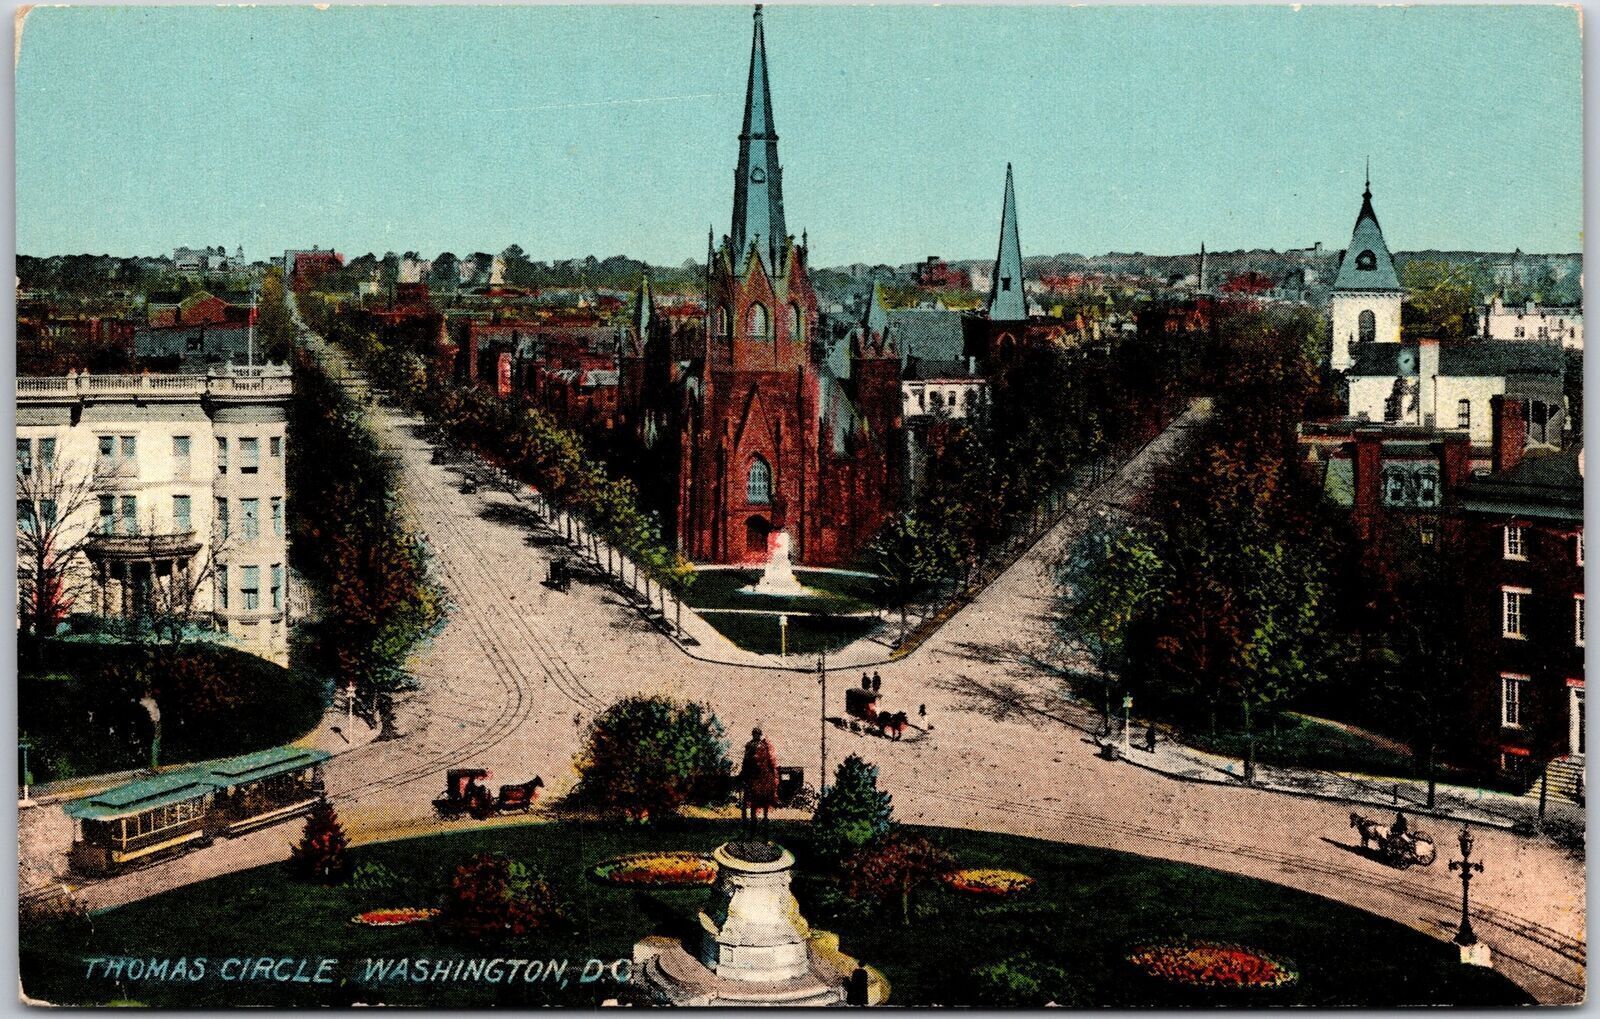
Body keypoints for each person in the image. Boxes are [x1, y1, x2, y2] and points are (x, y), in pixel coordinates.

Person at [741, 727, 780, 833]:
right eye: (755, 734)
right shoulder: (752, 745)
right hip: (754, 772)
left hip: (759, 773)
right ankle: (757, 817)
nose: (756, 736)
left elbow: (768, 759)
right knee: (751, 790)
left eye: (757, 734)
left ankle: (762, 816)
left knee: (767, 787)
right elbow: (746, 759)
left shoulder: (759, 745)